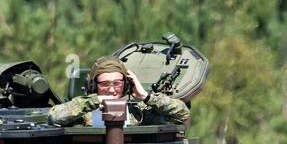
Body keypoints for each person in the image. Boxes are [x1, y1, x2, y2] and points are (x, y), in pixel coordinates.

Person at [48, 56, 190, 127]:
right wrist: (95, 101)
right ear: (93, 86)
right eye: (104, 84)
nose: (111, 89)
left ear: (127, 85)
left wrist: (146, 97)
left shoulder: (138, 113)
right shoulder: (82, 111)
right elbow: (54, 116)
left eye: (117, 83)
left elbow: (182, 114)